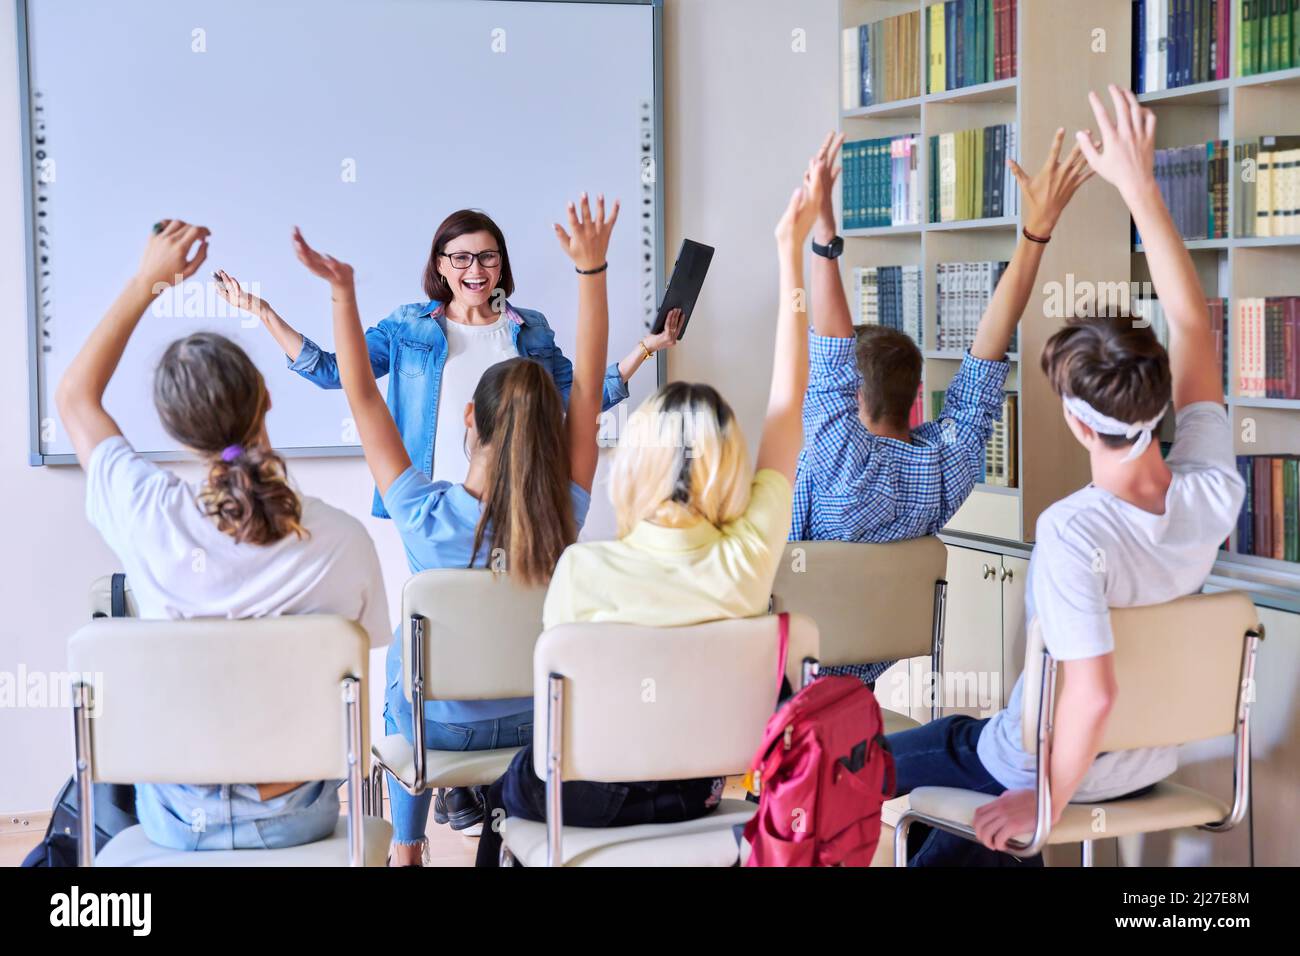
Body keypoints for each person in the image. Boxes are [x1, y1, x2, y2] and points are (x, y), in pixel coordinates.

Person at [887, 87, 1246, 866]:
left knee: (854, 770)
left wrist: (1041, 800)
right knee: (948, 738)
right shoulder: (1211, 490)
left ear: (1080, 425)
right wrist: (1140, 189)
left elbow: (1095, 693)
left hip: (1034, 771)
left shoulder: (1074, 530)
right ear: (1154, 403)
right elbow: (1192, 326)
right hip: (1143, 766)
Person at [475, 156, 825, 868]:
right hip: (700, 790)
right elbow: (790, 408)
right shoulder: (747, 554)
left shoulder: (584, 568)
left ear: (634, 461)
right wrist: (792, 256)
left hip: (592, 794)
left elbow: (558, 714)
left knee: (506, 794)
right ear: (727, 463)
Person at [293, 194, 620, 865]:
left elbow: (359, 393)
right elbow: (587, 387)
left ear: (467, 416)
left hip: (435, 733)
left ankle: (410, 848)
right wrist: (593, 271)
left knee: (400, 668)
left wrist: (343, 294)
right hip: (538, 725)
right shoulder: (567, 512)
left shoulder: (420, 513)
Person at [55, 220, 391, 851]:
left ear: (174, 431)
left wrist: (147, 281)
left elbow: (74, 397)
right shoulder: (344, 541)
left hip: (179, 818)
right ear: (268, 396)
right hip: (302, 816)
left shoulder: (145, 513)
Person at [792, 129, 1092, 687]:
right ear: (914, 391)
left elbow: (831, 352)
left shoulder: (838, 465)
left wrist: (824, 233)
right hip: (863, 697)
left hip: (788, 691)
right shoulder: (946, 467)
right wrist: (1036, 232)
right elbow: (989, 349)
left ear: (853, 394)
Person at [216, 209, 681, 516]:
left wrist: (645, 348)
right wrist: (262, 312)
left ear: (500, 265)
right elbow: (336, 373)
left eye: (486, 257)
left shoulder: (531, 329)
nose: (475, 270)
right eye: (460, 258)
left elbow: (580, 399)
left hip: (518, 500)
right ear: (439, 265)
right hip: (431, 509)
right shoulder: (408, 327)